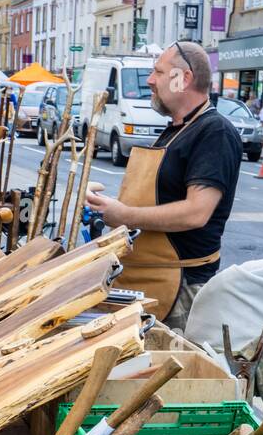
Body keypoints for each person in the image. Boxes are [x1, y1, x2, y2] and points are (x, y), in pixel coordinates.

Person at [86, 40, 242, 332]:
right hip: (150, 278)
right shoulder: (176, 130)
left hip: (181, 290)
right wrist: (108, 206)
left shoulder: (214, 132)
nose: (150, 80)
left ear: (184, 79)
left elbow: (197, 212)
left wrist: (123, 215)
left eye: (158, 72)